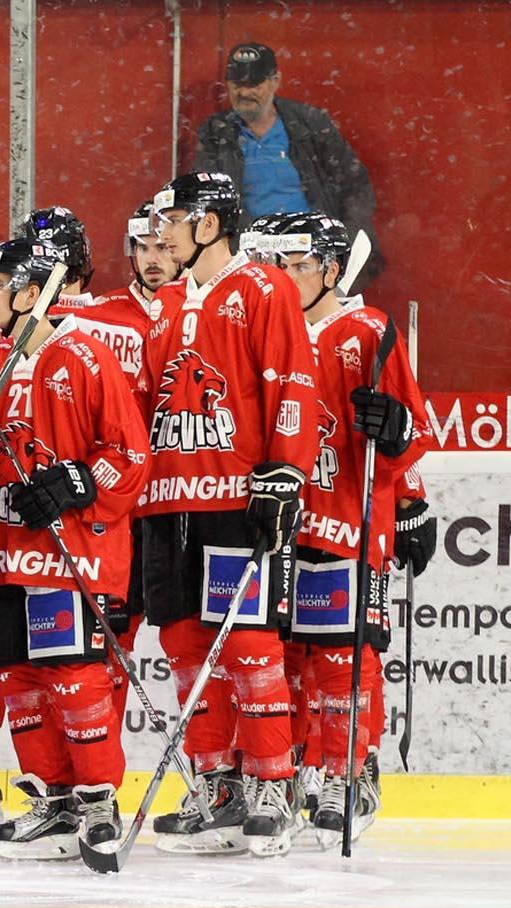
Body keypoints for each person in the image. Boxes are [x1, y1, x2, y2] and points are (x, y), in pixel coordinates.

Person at [138, 171, 321, 859]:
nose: (163, 233)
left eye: (175, 219)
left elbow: (293, 379)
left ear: (210, 224)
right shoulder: (168, 300)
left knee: (246, 646)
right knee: (186, 649)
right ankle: (216, 784)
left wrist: (285, 472)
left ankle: (273, 782)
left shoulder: (264, 288)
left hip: (232, 496)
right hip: (168, 497)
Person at [0, 238, 150, 860]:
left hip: (67, 555)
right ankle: (55, 797)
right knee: (17, 681)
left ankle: (98, 799)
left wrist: (76, 482)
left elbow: (130, 456)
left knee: (72, 677)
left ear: (31, 292)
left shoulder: (86, 356)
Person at [257, 212, 428, 841]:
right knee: (284, 659)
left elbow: (414, 434)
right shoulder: (264, 330)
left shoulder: (368, 331)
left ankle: (348, 770)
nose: (283, 277)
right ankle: (296, 768)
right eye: (275, 265)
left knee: (342, 655)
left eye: (297, 265)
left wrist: (397, 442)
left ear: (332, 270)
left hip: (345, 522)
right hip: (276, 522)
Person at [194, 43, 379, 276]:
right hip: (246, 261)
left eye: (254, 84)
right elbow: (205, 203)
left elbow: (355, 186)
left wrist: (343, 247)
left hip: (316, 257)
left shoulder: (311, 125)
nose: (244, 92)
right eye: (237, 84)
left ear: (275, 81)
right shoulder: (215, 133)